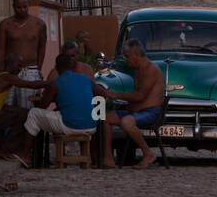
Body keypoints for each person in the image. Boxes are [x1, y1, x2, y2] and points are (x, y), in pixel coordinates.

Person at [16, 52, 100, 164]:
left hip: (70, 125)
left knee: (33, 113)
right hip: (91, 126)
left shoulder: (55, 83)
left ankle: (25, 155)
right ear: (71, 66)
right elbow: (101, 93)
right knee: (67, 113)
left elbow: (43, 106)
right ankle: (95, 161)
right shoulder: (86, 79)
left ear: (56, 67)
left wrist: (56, 98)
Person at [100, 39, 165, 169]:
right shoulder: (137, 70)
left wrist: (116, 94)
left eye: (127, 56)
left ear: (136, 55)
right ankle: (108, 158)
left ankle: (148, 154)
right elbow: (135, 95)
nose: (126, 59)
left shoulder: (150, 70)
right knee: (104, 117)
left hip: (151, 112)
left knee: (126, 122)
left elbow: (140, 96)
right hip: (135, 111)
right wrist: (115, 99)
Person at [0, 51, 40, 160]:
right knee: (24, 116)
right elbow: (30, 84)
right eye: (19, 65)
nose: (20, 69)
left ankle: (6, 148)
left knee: (23, 112)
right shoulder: (7, 77)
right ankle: (6, 150)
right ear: (10, 63)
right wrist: (50, 83)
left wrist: (16, 109)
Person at [0, 0, 47, 107]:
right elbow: (0, 49)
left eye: (25, 7)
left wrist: (38, 69)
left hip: (31, 71)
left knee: (27, 108)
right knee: (5, 106)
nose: (22, 10)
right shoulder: (5, 25)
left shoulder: (39, 24)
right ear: (13, 6)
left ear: (28, 5)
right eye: (19, 7)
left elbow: (42, 48)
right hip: (9, 71)